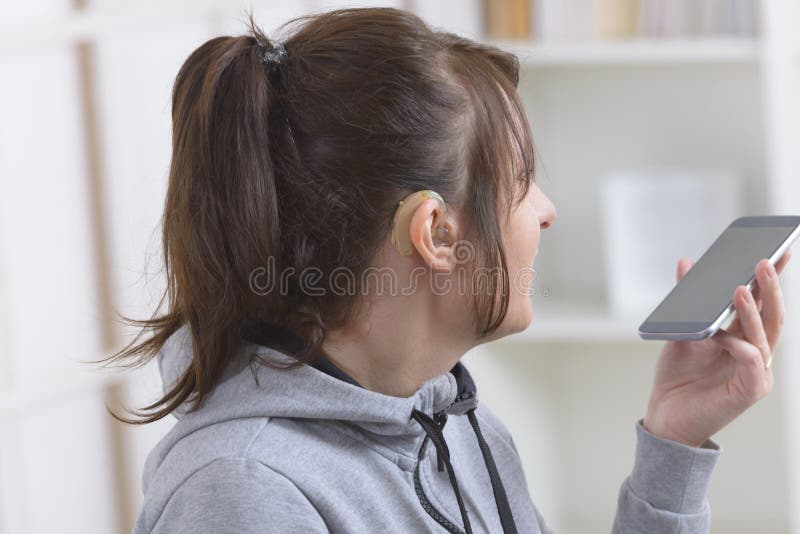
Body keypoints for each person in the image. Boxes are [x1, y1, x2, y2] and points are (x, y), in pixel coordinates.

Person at [111, 6, 791, 533]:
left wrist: (674, 440)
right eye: (522, 183)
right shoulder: (243, 491)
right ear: (435, 233)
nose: (546, 211)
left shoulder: (451, 419)